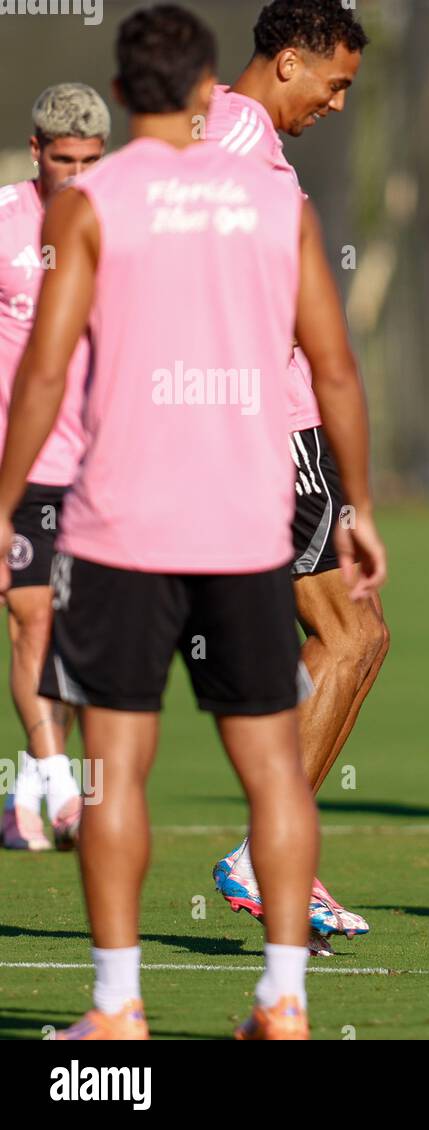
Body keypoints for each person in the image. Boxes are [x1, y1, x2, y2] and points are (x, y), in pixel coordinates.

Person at [0, 3, 386, 1038]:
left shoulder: (89, 202)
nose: (335, 104)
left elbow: (44, 369)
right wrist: (360, 502)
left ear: (124, 97)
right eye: (335, 84)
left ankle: (118, 1006)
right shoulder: (271, 198)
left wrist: (3, 502)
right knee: (273, 764)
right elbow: (336, 366)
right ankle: (284, 1000)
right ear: (217, 79)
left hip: (124, 512)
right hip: (245, 503)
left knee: (116, 768)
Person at [200, 0, 388, 953]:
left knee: (337, 643)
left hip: (256, 426)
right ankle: (265, 853)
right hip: (271, 429)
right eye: (336, 82)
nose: (339, 102)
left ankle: (278, 851)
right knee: (355, 634)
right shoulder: (237, 142)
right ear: (286, 65)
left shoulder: (222, 134)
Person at [0, 83, 109, 852]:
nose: (76, 174)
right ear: (36, 150)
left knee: (74, 635)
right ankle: (64, 789)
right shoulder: (3, 219)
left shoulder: (118, 225)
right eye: (63, 159)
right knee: (30, 616)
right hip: (21, 465)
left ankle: (26, 790)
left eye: (91, 161)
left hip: (100, 461)